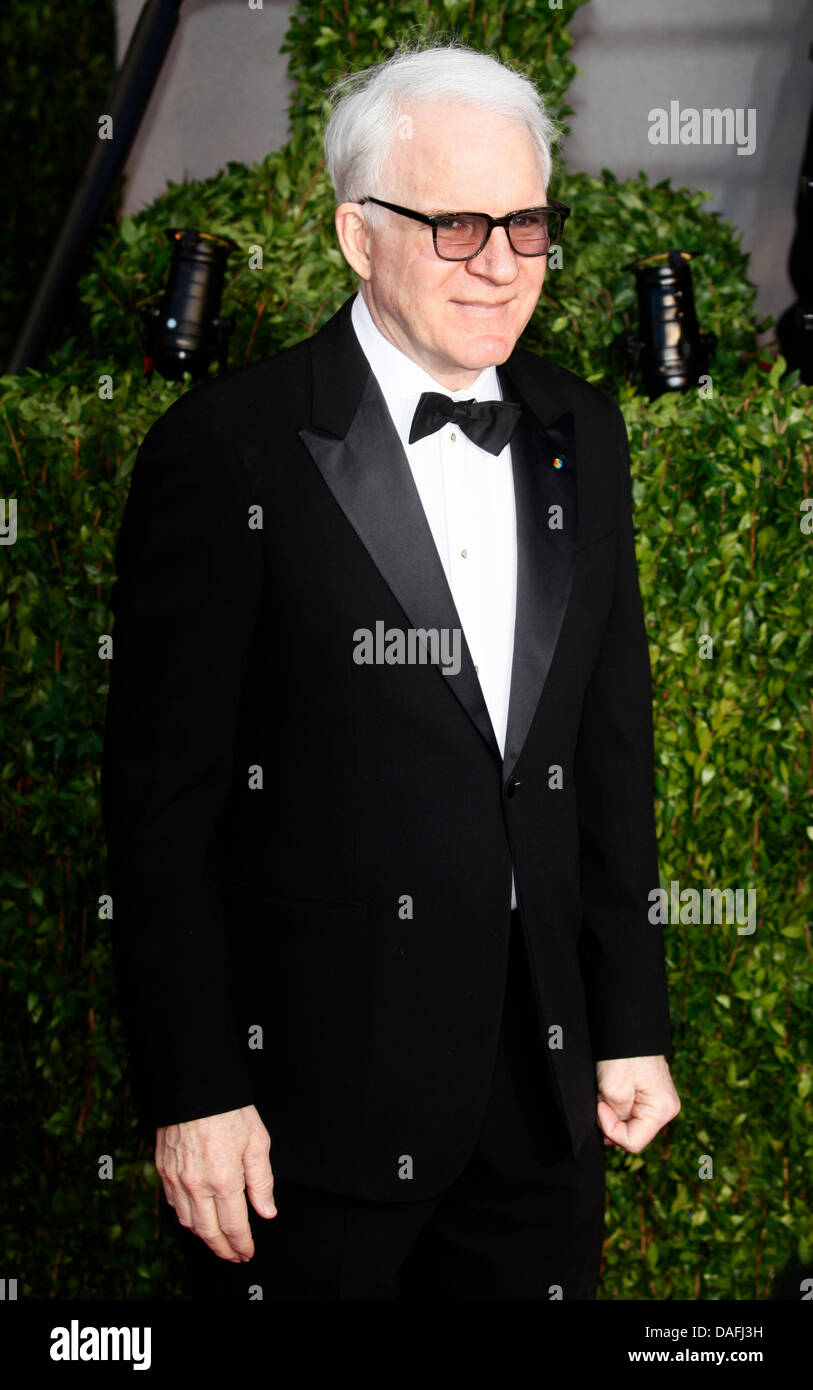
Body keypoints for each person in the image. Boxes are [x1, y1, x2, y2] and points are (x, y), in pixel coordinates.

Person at [101, 39, 680, 1301]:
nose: (500, 265)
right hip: (305, 1127)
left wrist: (628, 1019)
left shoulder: (584, 427)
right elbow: (163, 808)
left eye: (526, 225)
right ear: (359, 234)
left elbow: (609, 747)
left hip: (536, 1113)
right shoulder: (226, 449)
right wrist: (199, 1088)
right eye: (457, 224)